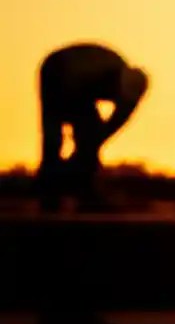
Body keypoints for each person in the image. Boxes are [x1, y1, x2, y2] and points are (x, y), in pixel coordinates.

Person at [36, 43, 149, 214]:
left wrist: (91, 146)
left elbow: (115, 122)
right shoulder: (101, 73)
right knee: (54, 137)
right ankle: (53, 194)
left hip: (75, 77)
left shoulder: (128, 90)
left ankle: (79, 190)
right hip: (60, 72)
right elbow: (81, 115)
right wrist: (87, 146)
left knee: (86, 137)